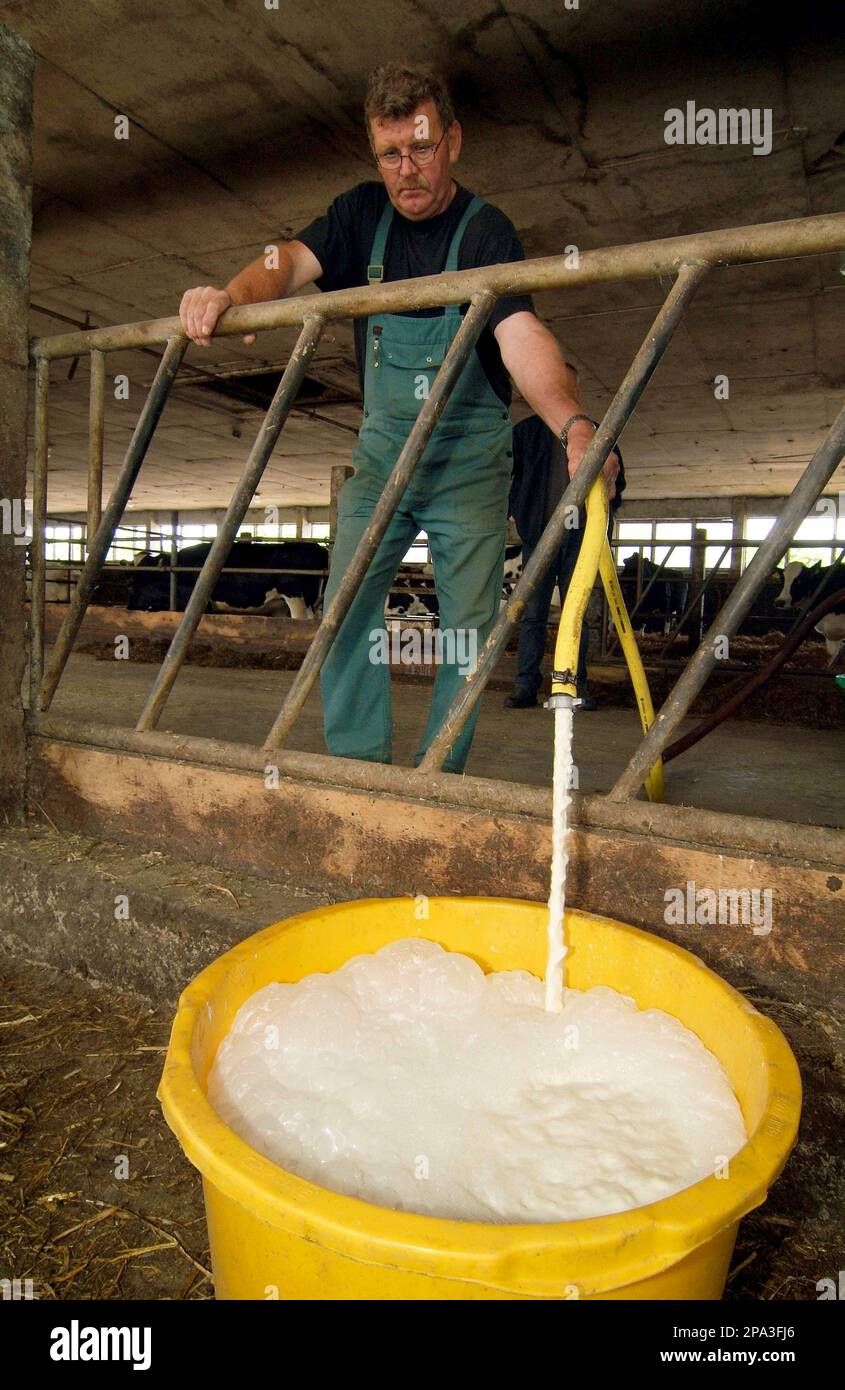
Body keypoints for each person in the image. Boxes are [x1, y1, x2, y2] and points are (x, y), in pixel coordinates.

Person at [178, 63, 619, 773]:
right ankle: (359, 771)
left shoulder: (486, 232)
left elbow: (519, 335)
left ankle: (436, 777)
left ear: (451, 142)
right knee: (346, 602)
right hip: (383, 455)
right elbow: (284, 261)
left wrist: (570, 420)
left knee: (467, 631)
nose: (406, 169)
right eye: (390, 153)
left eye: (420, 147)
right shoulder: (358, 216)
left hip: (469, 464)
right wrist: (229, 293)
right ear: (374, 153)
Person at [504, 411, 625, 711]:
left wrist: (609, 506)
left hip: (581, 536)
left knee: (576, 614)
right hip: (540, 534)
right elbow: (506, 470)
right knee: (533, 614)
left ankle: (574, 686)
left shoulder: (599, 430)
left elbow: (616, 478)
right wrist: (514, 507)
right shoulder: (526, 431)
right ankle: (526, 686)